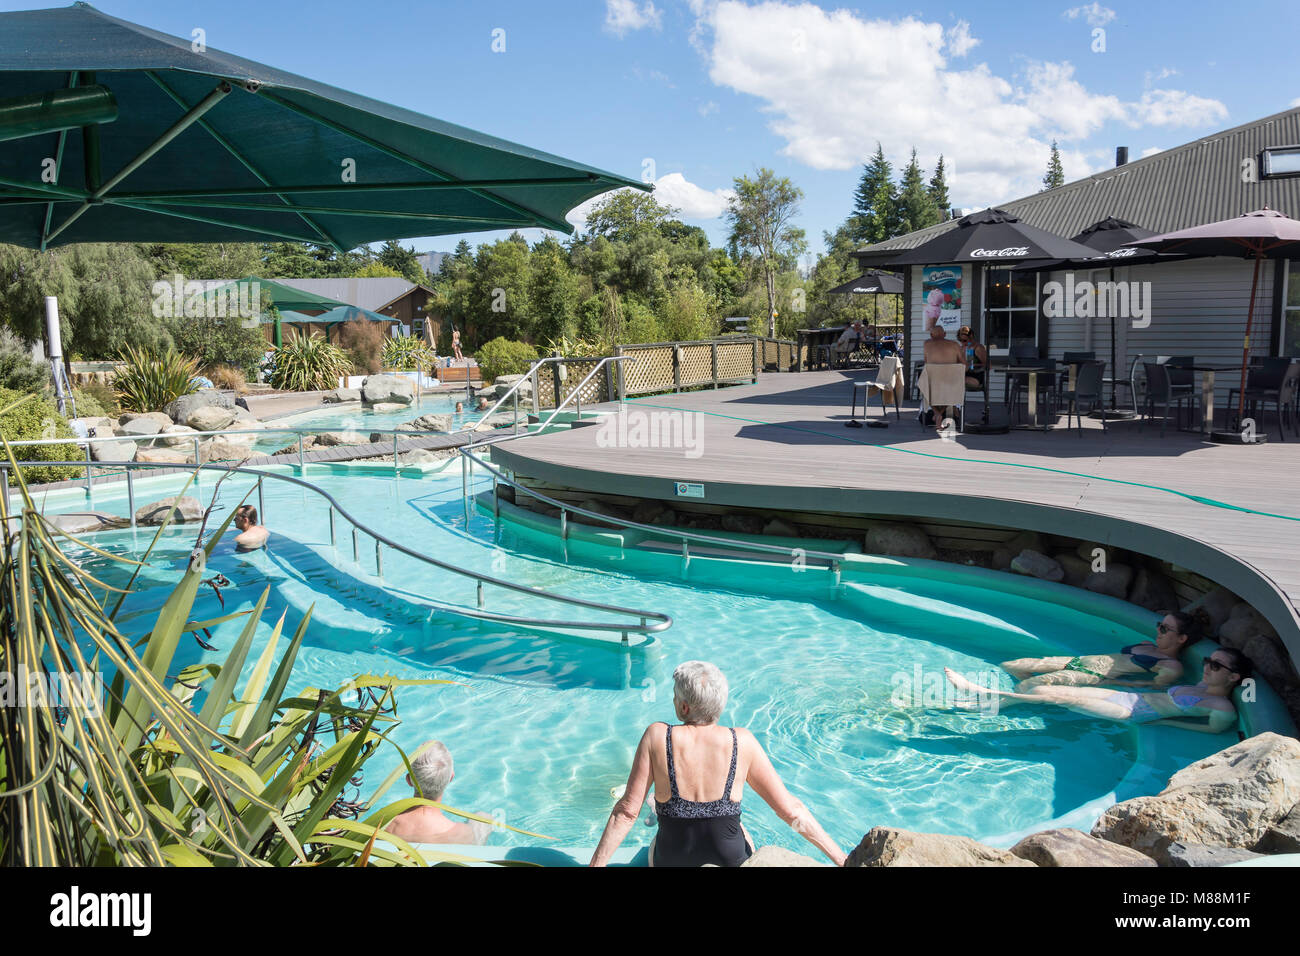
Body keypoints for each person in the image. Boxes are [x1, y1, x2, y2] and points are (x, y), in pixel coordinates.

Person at [590, 661, 846, 867]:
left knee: (660, 814)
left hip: (671, 860)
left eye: (675, 696)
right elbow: (790, 811)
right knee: (738, 826)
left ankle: (658, 807)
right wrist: (842, 859)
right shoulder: (741, 742)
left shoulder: (658, 736)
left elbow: (625, 812)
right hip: (730, 860)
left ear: (684, 707)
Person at [944, 646, 1250, 735]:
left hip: (1132, 712)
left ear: (1234, 676)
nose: (1208, 666)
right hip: (1130, 698)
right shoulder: (1199, 684)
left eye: (1217, 666)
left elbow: (1212, 732)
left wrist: (1165, 721)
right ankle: (993, 704)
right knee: (1050, 688)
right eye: (1209, 661)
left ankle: (981, 693)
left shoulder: (1222, 709)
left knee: (1061, 697)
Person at [1000, 609, 1207, 689]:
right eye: (1159, 624)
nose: (1158, 630)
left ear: (1181, 638)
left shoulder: (1170, 666)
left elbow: (1155, 687)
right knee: (1011, 665)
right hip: (1079, 661)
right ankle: (1043, 695)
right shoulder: (1146, 645)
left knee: (1024, 687)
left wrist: (1112, 683)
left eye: (1165, 628)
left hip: (1092, 674)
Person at [384, 741, 493, 845]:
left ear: (408, 780)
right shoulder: (462, 834)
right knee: (483, 818)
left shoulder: (383, 824)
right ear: (451, 778)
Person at [921, 325, 964, 429]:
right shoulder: (954, 345)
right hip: (950, 383)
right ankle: (942, 412)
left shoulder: (927, 344)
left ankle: (936, 413)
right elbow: (963, 364)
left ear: (931, 335)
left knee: (924, 388)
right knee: (953, 393)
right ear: (945, 334)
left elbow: (927, 363)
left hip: (933, 383)